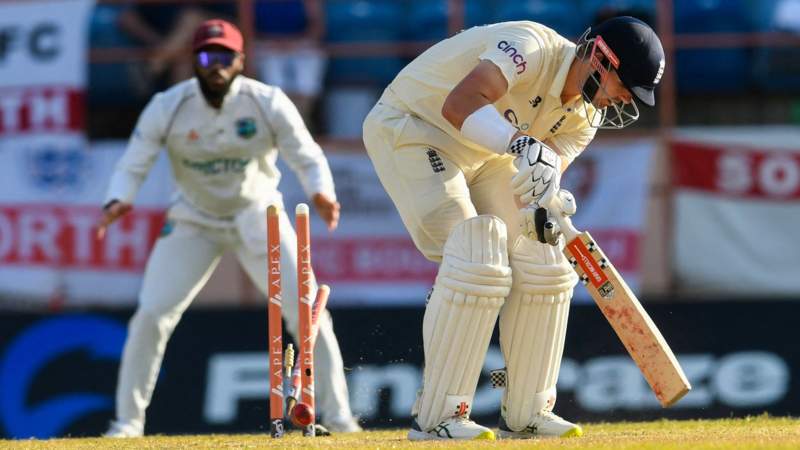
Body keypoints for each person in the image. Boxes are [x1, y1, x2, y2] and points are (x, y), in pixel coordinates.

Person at [362, 16, 664, 440]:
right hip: (416, 128)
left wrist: (547, 201)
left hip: (486, 155)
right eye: (622, 87)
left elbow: (536, 182)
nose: (620, 101)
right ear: (599, 56)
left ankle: (527, 413)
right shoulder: (530, 47)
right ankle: (436, 417)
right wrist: (521, 144)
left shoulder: (584, 118)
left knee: (543, 259)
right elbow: (460, 104)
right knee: (476, 254)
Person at [98, 19, 361, 437]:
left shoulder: (266, 101)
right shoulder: (168, 105)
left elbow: (306, 154)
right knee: (151, 315)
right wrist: (118, 199)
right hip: (194, 219)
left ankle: (341, 418)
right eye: (206, 57)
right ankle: (128, 423)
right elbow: (135, 160)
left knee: (309, 314)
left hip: (260, 216)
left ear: (240, 60)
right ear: (194, 60)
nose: (215, 66)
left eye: (224, 57)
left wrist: (321, 192)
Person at [253, 0, 326, 127]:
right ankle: (283, 127)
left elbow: (317, 27)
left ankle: (299, 124)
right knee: (275, 83)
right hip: (266, 44)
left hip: (301, 43)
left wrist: (293, 43)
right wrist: (275, 42)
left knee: (307, 80)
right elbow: (249, 30)